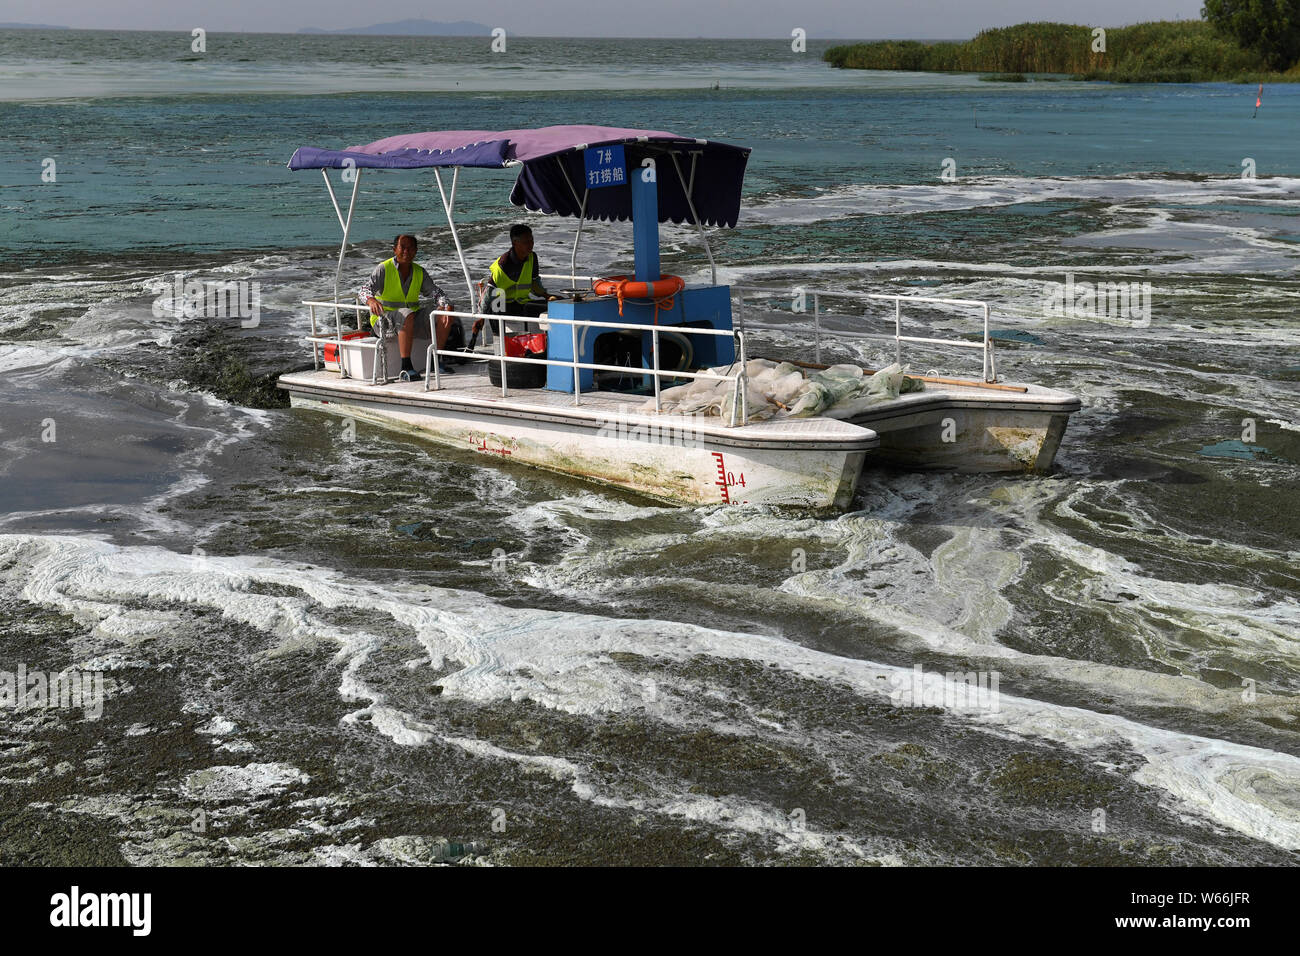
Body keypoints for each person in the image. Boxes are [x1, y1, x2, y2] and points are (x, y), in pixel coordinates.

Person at [361, 234, 458, 381]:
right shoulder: (383, 269)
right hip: (383, 321)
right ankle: (406, 367)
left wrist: (446, 305)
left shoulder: (419, 272)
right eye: (403, 247)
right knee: (407, 314)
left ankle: (436, 361)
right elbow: (364, 290)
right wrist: (371, 301)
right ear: (395, 249)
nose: (407, 251)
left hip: (410, 319)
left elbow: (436, 292)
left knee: (445, 313)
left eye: (411, 248)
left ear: (416, 251)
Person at [475, 224, 557, 341]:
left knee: (554, 306)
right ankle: (500, 343)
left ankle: (549, 342)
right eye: (526, 242)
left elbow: (535, 283)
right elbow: (487, 294)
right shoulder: (504, 265)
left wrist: (547, 296)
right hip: (503, 305)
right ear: (514, 243)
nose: (530, 244)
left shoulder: (532, 257)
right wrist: (480, 318)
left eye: (532, 240)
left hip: (523, 303)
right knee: (494, 307)